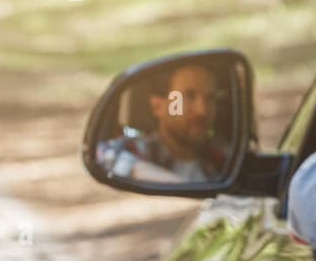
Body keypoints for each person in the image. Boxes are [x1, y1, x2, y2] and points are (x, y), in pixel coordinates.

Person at [97, 63, 231, 183]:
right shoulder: (135, 149)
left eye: (210, 98)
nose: (202, 111)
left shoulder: (223, 156)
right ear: (157, 107)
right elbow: (105, 155)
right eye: (189, 96)